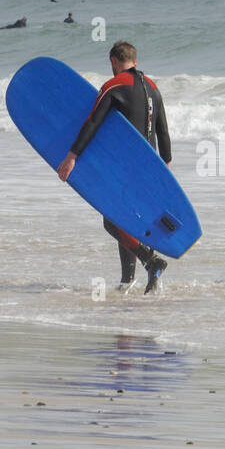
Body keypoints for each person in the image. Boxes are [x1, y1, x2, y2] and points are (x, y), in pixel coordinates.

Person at [57, 41, 172, 294]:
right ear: (135, 61)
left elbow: (93, 122)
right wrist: (166, 169)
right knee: (131, 220)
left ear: (113, 62)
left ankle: (151, 262)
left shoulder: (114, 85)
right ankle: (128, 280)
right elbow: (163, 130)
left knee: (113, 221)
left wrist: (72, 156)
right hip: (151, 167)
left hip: (124, 168)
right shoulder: (154, 88)